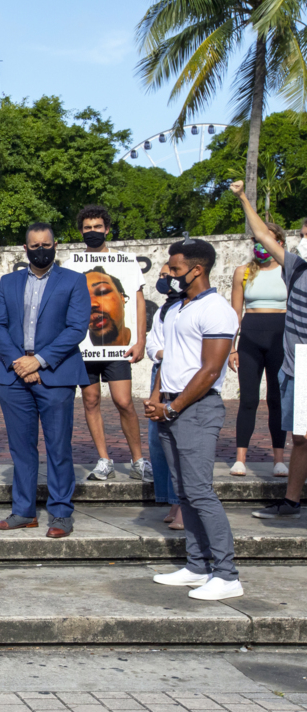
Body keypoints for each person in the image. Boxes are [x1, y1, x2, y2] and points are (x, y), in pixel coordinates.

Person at [146, 238, 243, 601]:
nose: (167, 274)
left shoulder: (217, 309)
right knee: (183, 490)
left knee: (201, 491)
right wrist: (157, 398)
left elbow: (210, 370)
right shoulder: (174, 308)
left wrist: (173, 407)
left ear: (196, 269)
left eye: (174, 269)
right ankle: (197, 565)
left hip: (197, 409)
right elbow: (165, 360)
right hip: (170, 407)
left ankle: (227, 573)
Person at [0, 223, 90, 539]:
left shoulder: (73, 281)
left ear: (55, 245)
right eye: (34, 245)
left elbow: (76, 328)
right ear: (25, 249)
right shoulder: (8, 282)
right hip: (13, 373)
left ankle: (60, 513)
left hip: (55, 374)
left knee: (59, 446)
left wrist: (39, 360)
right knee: (21, 448)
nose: (41, 249)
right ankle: (23, 512)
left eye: (46, 244)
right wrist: (20, 363)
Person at [231, 183, 307, 520]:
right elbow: (262, 235)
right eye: (303, 235)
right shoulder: (296, 268)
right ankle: (291, 501)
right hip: (299, 366)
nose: (303, 240)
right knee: (302, 437)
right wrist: (244, 198)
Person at [75, 205, 148, 482]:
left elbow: (139, 301)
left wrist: (141, 340)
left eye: (97, 227)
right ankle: (104, 460)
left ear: (107, 228)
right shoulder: (72, 264)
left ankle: (139, 459)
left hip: (118, 351)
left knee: (124, 401)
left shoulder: (126, 262)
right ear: (81, 231)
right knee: (90, 400)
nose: (92, 232)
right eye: (87, 228)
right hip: (84, 349)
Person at [228, 224, 288, 477]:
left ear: (280, 244)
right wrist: (232, 348)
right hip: (251, 338)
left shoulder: (289, 271)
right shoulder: (242, 272)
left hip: (281, 338)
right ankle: (240, 459)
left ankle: (279, 460)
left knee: (276, 400)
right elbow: (235, 313)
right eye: (257, 242)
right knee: (249, 400)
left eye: (266, 242)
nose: (260, 247)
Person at [145, 264, 184, 529]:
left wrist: (172, 353)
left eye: (168, 274)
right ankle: (172, 499)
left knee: (184, 440)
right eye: (160, 276)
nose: (164, 280)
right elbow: (152, 345)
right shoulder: (163, 310)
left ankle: (184, 503)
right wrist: (164, 354)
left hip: (187, 375)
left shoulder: (196, 307)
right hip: (161, 372)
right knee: (158, 439)